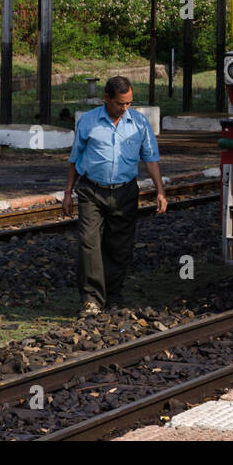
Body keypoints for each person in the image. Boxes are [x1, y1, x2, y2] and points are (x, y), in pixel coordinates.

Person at [63, 77, 167, 315]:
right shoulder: (89, 122)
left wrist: (160, 191)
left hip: (125, 191)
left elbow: (151, 159)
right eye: (120, 103)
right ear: (107, 99)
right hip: (91, 190)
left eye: (129, 103)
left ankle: (114, 295)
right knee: (88, 243)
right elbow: (74, 159)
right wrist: (68, 192)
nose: (124, 108)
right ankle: (91, 299)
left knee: (119, 245)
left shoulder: (139, 123)